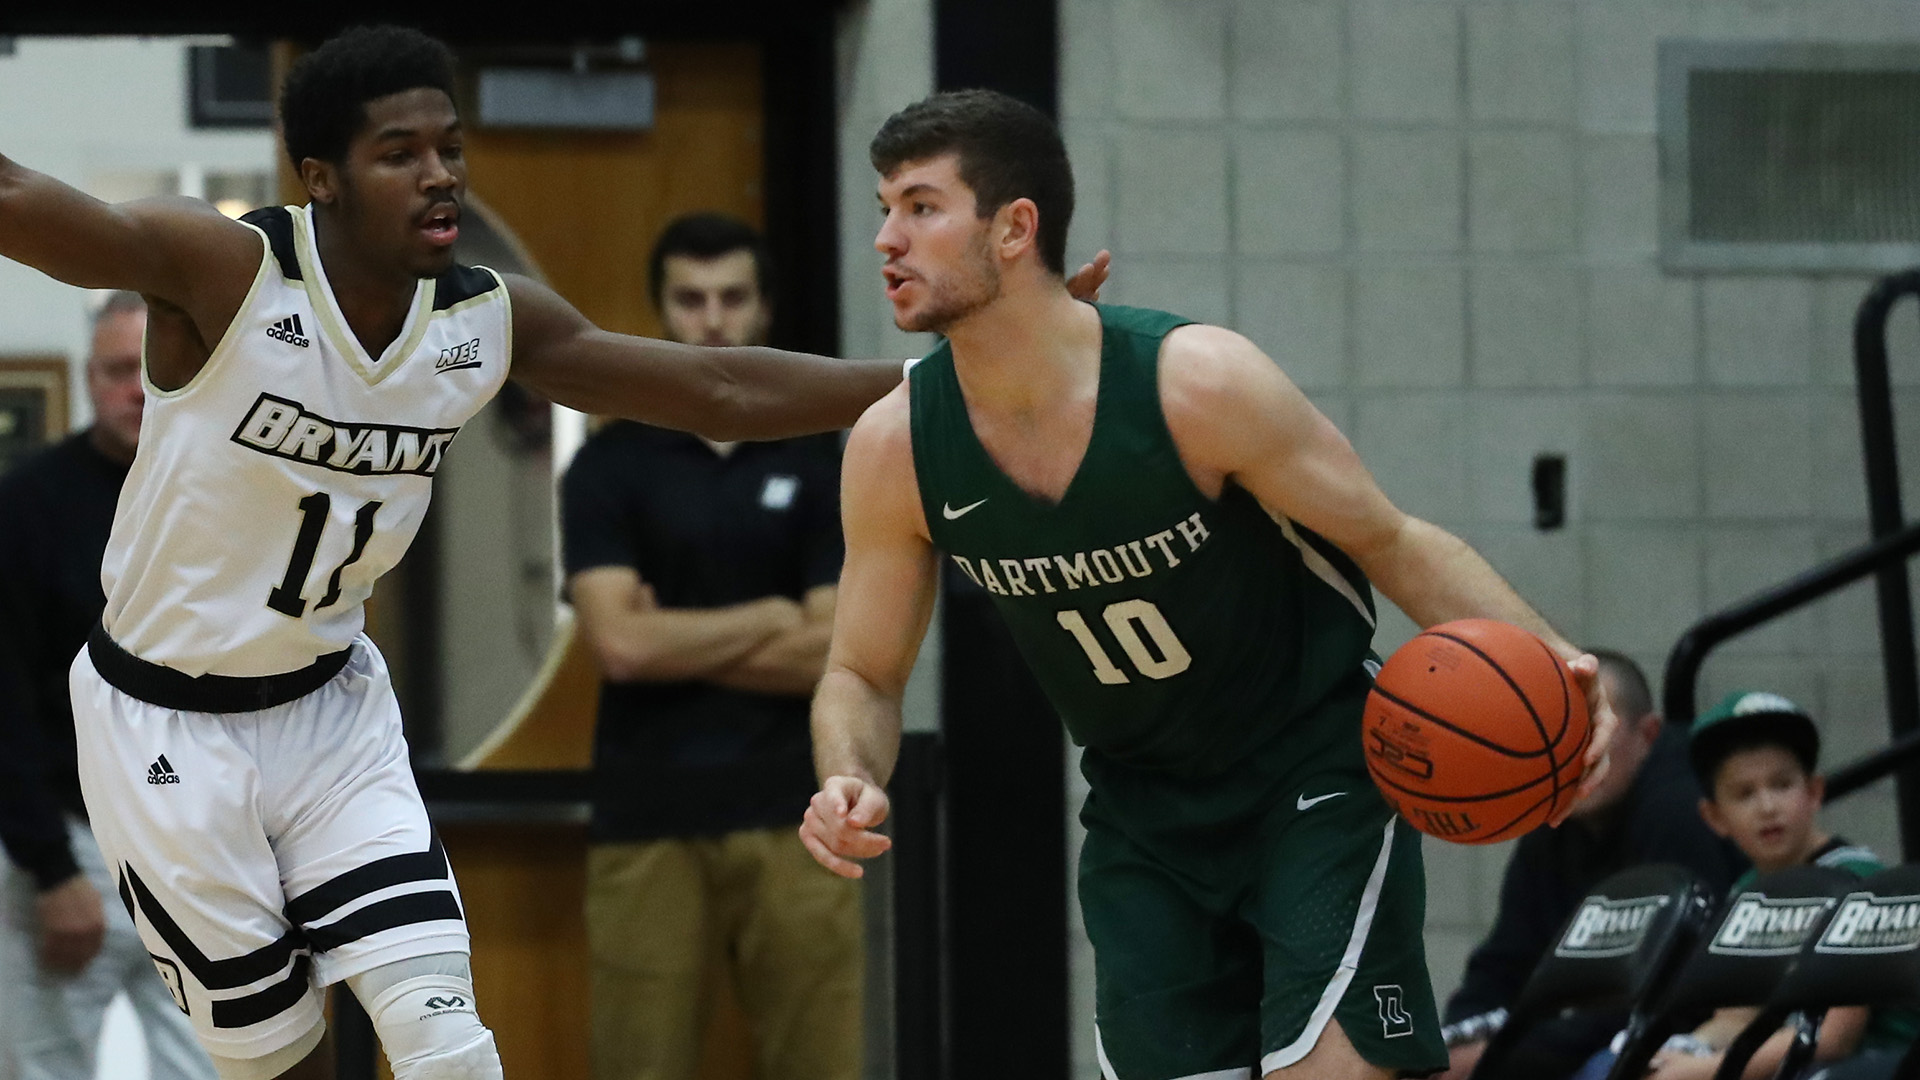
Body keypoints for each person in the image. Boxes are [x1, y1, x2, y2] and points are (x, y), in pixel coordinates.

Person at [0, 28, 1105, 1080]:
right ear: (320, 178)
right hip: (167, 723)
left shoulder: (484, 318)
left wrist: (932, 384)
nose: (439, 174)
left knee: (445, 1041)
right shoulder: (224, 268)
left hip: (330, 713)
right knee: (274, 1056)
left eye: (450, 147)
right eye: (399, 153)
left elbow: (718, 387)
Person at [798, 88, 1617, 1080]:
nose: (886, 238)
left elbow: (1392, 541)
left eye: (921, 207)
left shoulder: (1197, 383)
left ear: (1014, 229)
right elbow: (862, 673)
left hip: (1310, 773)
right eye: (884, 207)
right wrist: (849, 773)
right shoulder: (895, 446)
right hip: (1143, 812)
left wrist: (1560, 662)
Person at [561, 214, 859, 1080]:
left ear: (764, 308)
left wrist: (676, 636)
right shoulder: (609, 467)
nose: (714, 320)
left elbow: (831, 656)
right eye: (691, 300)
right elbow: (621, 646)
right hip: (646, 814)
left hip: (797, 814)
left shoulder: (820, 464)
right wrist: (773, 614)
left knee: (826, 1064)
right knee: (638, 1066)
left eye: (733, 297)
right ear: (662, 312)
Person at [0, 293, 215, 1080]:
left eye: (153, 371)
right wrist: (51, 869)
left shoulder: (232, 498)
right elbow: (5, 706)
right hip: (68, 844)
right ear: (90, 380)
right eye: (119, 371)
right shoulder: (26, 507)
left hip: (202, 846)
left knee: (216, 1069)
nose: (137, 390)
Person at [1434, 651, 1747, 1080]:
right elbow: (1503, 962)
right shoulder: (1553, 818)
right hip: (1577, 1038)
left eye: (1592, 731)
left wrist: (1499, 1057)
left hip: (1679, 1042)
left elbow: (1666, 996)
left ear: (1649, 735)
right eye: (1559, 734)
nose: (1576, 752)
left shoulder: (1678, 811)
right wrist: (1454, 1042)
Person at [1590, 690, 1913, 1080]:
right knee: (1608, 1066)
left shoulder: (1859, 880)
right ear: (1715, 817)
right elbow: (1737, 1018)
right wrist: (1680, 1050)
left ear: (1814, 793)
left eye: (1782, 785)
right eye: (1744, 793)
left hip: (1874, 1062)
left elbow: (1831, 1040)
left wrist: (1698, 1071)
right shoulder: (1745, 890)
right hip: (1788, 1063)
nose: (1767, 807)